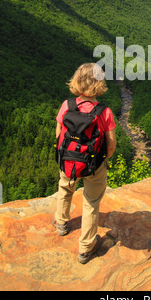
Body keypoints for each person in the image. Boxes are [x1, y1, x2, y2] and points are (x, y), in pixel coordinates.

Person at [52, 63, 116, 264]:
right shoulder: (104, 112)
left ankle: (61, 222)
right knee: (91, 203)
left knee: (65, 188)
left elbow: (58, 134)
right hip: (94, 165)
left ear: (76, 80)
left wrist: (67, 155)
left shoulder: (67, 105)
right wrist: (103, 160)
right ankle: (86, 247)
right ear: (99, 83)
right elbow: (111, 144)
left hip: (69, 161)